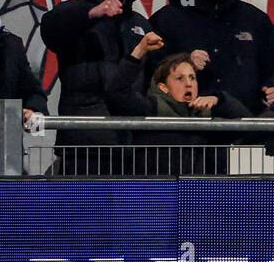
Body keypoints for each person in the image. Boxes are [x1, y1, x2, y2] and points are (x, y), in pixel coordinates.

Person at [39, 0, 151, 174]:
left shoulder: (140, 24)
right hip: (84, 150)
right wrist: (93, 13)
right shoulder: (76, 13)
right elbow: (51, 28)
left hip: (131, 150)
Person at [106, 34, 251, 174]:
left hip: (196, 194)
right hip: (154, 193)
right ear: (164, 87)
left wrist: (220, 99)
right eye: (179, 78)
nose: (189, 84)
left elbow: (250, 126)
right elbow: (117, 93)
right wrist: (140, 51)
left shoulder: (207, 116)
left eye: (192, 78)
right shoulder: (150, 109)